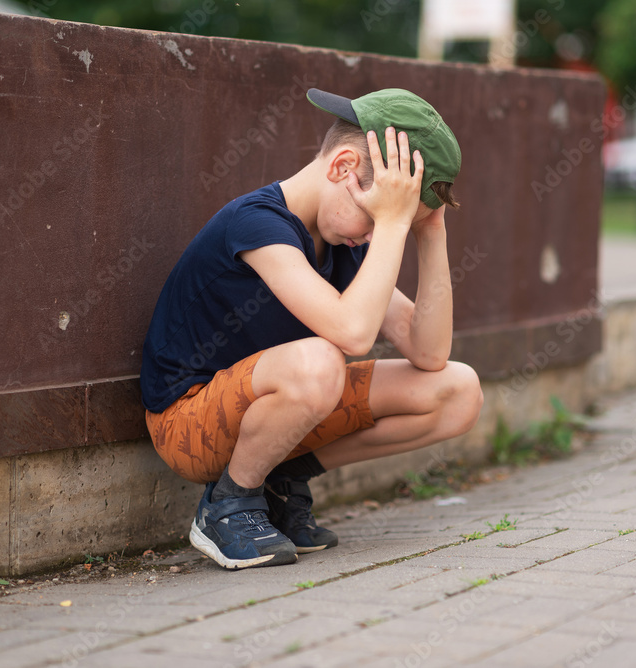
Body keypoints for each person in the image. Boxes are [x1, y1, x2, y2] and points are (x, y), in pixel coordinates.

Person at [140, 87, 484, 570]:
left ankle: (279, 479)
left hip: (276, 411)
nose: (372, 234)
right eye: (376, 217)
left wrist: (430, 231)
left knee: (458, 391)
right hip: (189, 423)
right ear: (342, 168)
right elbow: (352, 334)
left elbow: (430, 354)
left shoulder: (341, 240)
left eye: (393, 225)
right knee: (322, 359)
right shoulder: (257, 224)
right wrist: (390, 225)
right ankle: (227, 505)